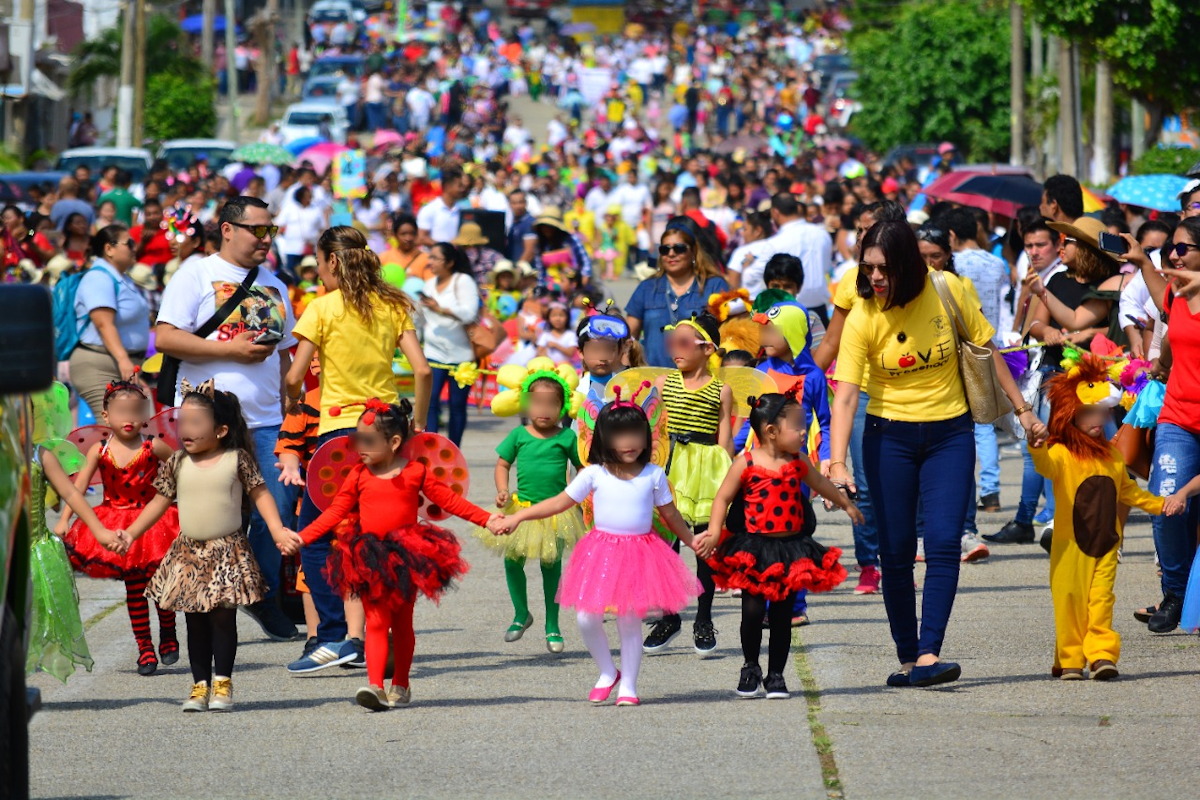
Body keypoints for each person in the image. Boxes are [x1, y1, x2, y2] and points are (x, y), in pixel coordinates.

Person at [828, 222, 1046, 688]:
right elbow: (845, 395)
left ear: (908, 263)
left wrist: (1024, 412)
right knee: (896, 550)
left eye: (885, 268)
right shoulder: (864, 313)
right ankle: (908, 657)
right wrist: (837, 462)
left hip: (950, 434)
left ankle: (930, 653)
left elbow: (988, 349)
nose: (875, 277)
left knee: (944, 543)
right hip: (888, 438)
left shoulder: (947, 288)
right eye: (868, 268)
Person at [281, 225, 432, 672]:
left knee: (316, 536)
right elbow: (422, 371)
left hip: (337, 437)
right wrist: (418, 423)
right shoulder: (393, 304)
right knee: (379, 537)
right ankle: (379, 633)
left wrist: (293, 400)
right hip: (385, 431)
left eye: (319, 263)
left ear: (331, 261)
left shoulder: (322, 307)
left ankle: (335, 637)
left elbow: (294, 375)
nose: (319, 270)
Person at [488, 395, 700, 706]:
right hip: (601, 552)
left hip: (640, 554)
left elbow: (670, 514)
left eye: (635, 434)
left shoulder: (653, 474)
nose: (629, 442)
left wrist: (692, 541)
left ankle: (629, 686)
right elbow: (559, 502)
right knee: (587, 618)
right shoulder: (594, 474)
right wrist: (518, 517)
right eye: (620, 436)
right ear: (603, 438)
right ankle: (607, 671)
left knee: (629, 621)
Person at [155, 196, 301, 641]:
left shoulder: (275, 284)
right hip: (208, 421)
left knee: (278, 507)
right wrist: (229, 350)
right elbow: (165, 338)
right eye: (257, 230)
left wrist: (292, 406)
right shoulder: (195, 274)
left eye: (270, 230)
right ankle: (206, 603)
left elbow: (284, 354)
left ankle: (261, 593)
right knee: (213, 516)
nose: (265, 239)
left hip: (268, 420)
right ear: (228, 229)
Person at [298, 400, 497, 710]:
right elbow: (335, 512)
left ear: (393, 442)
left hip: (407, 557)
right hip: (369, 557)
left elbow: (450, 501)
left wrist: (488, 520)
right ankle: (375, 686)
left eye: (367, 441)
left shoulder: (415, 471)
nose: (359, 447)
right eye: (356, 439)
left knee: (402, 623)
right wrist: (302, 537)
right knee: (376, 622)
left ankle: (400, 684)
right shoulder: (358, 474)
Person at [118, 381, 302, 712]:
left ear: (220, 430)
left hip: (227, 552)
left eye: (196, 423)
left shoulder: (236, 459)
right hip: (188, 554)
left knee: (222, 620)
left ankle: (223, 684)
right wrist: (131, 533)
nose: (186, 430)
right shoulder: (177, 462)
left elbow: (260, 494)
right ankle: (199, 686)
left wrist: (277, 531)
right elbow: (158, 502)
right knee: (195, 622)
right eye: (182, 422)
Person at [697, 390, 861, 698]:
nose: (804, 432)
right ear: (771, 431)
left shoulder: (798, 461)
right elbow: (722, 498)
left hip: (790, 551)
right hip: (754, 551)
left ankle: (776, 675)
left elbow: (821, 483)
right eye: (798, 426)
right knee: (752, 613)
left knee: (782, 617)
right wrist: (715, 531)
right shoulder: (745, 463)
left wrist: (846, 504)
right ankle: (750, 666)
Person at [1030, 354, 1172, 680]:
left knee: (1101, 601)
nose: (1097, 419)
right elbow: (1046, 466)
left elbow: (1129, 492)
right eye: (1088, 412)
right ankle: (1070, 659)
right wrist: (1036, 446)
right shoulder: (1061, 452)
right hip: (1070, 547)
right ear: (1070, 414)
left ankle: (1101, 656)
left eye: (1101, 411)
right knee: (1070, 601)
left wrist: (1162, 505)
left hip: (1106, 544)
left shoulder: (1111, 456)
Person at [56, 380, 179, 676]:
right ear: (106, 416)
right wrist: (64, 519)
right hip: (115, 522)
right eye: (122, 412)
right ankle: (144, 647)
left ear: (145, 415)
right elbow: (78, 487)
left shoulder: (153, 446)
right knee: (134, 588)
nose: (129, 419)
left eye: (136, 412)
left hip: (153, 522)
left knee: (161, 584)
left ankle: (168, 633)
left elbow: (182, 469)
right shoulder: (99, 450)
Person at [1120, 220, 1200, 633]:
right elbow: (1160, 297)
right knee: (1165, 501)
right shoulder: (1176, 293)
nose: (1174, 254)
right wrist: (1141, 261)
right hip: (1178, 418)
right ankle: (1175, 594)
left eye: (1184, 249)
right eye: (1172, 246)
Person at [476, 369, 586, 653]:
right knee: (513, 561)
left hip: (555, 513)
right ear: (526, 404)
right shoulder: (518, 435)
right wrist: (502, 489)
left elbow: (583, 468)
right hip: (520, 509)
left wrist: (579, 494)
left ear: (563, 406)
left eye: (552, 404)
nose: (544, 410)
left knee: (551, 567)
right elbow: (502, 464)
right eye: (537, 403)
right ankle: (521, 613)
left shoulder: (566, 437)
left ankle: (553, 625)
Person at [643, 312, 733, 657]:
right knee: (666, 544)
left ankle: (704, 619)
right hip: (670, 468)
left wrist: (729, 482)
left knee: (703, 545)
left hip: (706, 470)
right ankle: (669, 616)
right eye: (672, 343)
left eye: (683, 343)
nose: (675, 350)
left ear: (707, 349)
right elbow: (654, 428)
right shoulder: (663, 383)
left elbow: (724, 439)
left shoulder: (721, 390)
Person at [942, 207, 1008, 516]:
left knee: (962, 426)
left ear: (951, 235)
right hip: (990, 345)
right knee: (985, 424)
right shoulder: (997, 263)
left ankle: (964, 496)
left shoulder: (951, 267)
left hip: (957, 349)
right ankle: (991, 491)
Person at [69, 225, 150, 415]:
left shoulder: (121, 278)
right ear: (109, 249)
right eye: (129, 243)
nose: (135, 248)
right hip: (99, 365)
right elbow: (103, 323)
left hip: (121, 364)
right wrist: (124, 360)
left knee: (132, 425)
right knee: (115, 424)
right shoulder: (98, 278)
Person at [626, 218, 729, 368]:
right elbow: (628, 339)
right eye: (665, 249)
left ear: (693, 251)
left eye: (679, 248)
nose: (671, 253)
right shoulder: (647, 287)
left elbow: (727, 335)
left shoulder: (714, 285)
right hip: (653, 377)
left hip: (701, 376)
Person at [421, 242, 480, 445]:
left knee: (457, 405)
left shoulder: (463, 281)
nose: (430, 262)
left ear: (449, 262)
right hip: (433, 352)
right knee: (430, 402)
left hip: (461, 355)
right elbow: (421, 318)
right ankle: (431, 449)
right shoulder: (429, 285)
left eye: (435, 258)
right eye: (430, 257)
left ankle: (453, 449)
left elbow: (469, 313)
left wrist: (440, 309)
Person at [762, 192, 832, 323]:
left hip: (787, 311)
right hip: (818, 308)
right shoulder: (822, 234)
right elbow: (827, 268)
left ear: (775, 212)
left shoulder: (775, 243)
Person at [726, 209, 775, 297]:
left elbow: (733, 286)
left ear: (757, 231)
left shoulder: (742, 252)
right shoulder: (777, 248)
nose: (742, 233)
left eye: (745, 229)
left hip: (748, 303)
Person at [416, 166, 465, 247]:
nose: (462, 189)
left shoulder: (462, 210)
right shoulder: (429, 209)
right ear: (447, 186)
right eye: (459, 186)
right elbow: (422, 237)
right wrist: (445, 248)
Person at [379, 212, 429, 280]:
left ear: (416, 234)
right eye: (403, 234)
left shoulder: (426, 259)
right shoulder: (383, 258)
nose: (408, 238)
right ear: (395, 235)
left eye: (412, 233)